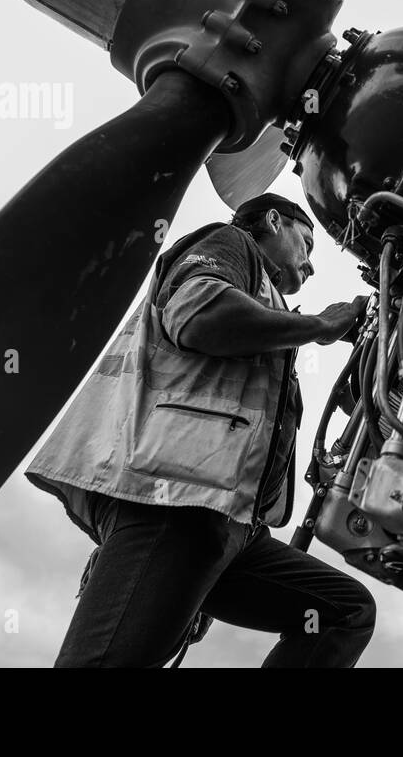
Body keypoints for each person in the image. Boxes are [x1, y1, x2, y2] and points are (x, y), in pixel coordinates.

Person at [25, 193, 373, 667]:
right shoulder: (230, 242)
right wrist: (316, 326)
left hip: (230, 523)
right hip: (173, 500)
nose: (310, 265)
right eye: (306, 243)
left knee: (344, 611)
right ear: (273, 220)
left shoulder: (269, 308)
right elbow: (200, 317)